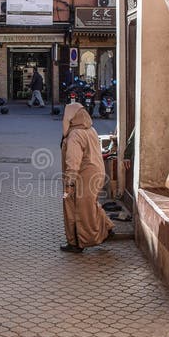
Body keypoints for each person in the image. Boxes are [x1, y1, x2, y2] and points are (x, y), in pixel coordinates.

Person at [60, 103, 114, 252]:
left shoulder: (75, 135)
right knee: (90, 206)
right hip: (96, 174)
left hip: (84, 177)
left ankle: (77, 243)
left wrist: (69, 183)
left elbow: (73, 161)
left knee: (75, 209)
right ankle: (107, 229)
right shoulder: (91, 130)